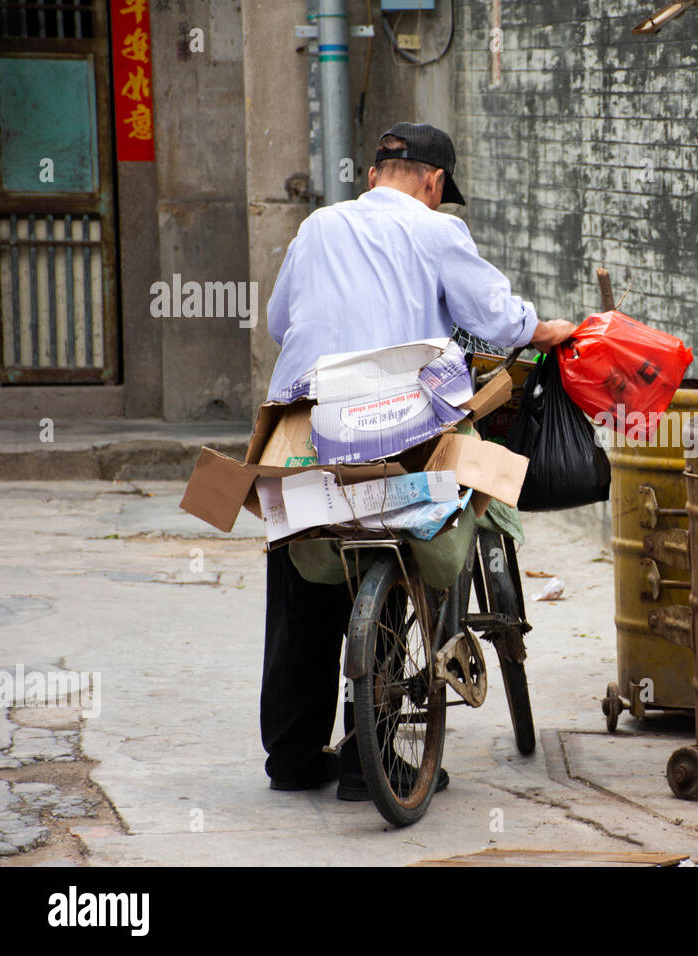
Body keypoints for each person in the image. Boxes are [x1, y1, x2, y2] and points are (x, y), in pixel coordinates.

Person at [261, 122, 575, 800]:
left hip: (304, 424)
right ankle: (368, 758)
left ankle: (290, 758)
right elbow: (499, 320)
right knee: (407, 542)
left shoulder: (317, 227)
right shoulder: (437, 231)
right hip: (394, 431)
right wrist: (550, 329)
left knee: (300, 565)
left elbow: (278, 324)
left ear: (373, 174)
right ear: (434, 183)